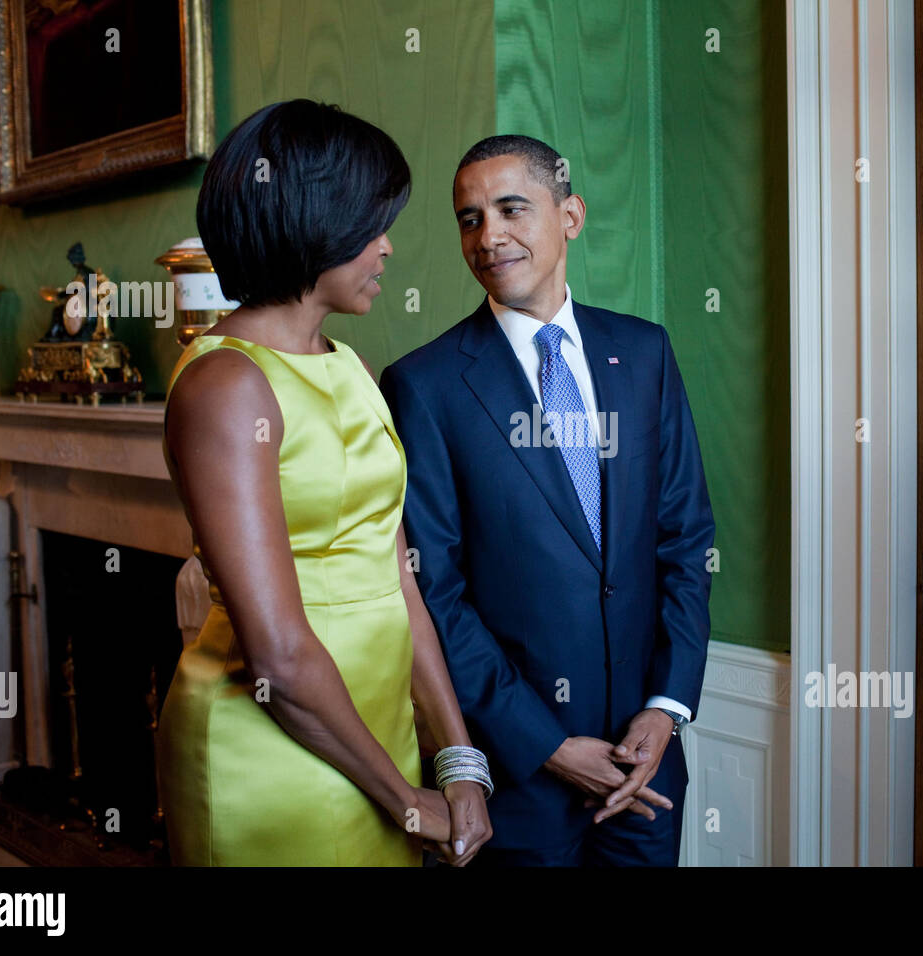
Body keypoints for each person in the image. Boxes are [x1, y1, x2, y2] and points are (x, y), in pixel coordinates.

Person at [157, 100, 491, 866]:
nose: (388, 247)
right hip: (272, 760)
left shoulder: (349, 366)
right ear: (316, 223)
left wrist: (456, 761)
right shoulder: (225, 387)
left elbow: (398, 580)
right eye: (371, 226)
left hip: (382, 743)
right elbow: (275, 653)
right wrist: (408, 806)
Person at [380, 135, 715, 866]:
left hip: (645, 770)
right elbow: (435, 591)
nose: (488, 236)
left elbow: (686, 542)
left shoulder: (646, 353)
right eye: (469, 218)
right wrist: (549, 746)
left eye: (510, 209)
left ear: (570, 215)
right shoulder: (425, 386)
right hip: (519, 783)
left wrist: (665, 711)